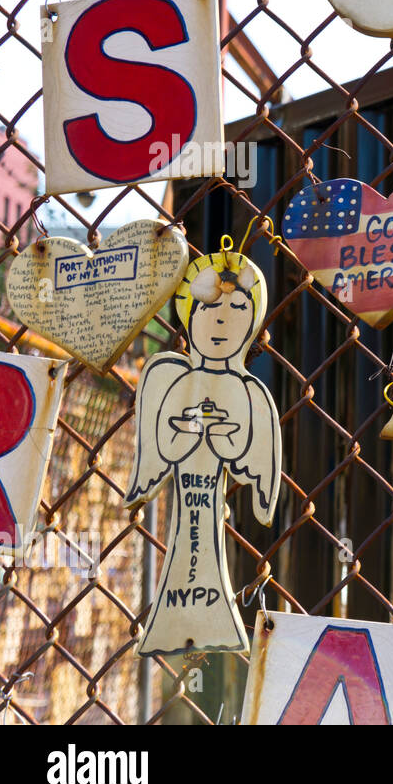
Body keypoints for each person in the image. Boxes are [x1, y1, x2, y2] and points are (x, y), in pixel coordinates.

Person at [125, 248, 281, 657]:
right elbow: (166, 447)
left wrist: (216, 430)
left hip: (212, 491)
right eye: (209, 308)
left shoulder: (250, 392)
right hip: (188, 489)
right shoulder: (169, 377)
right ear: (190, 317)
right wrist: (196, 424)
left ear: (251, 322)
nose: (221, 320)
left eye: (236, 309)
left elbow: (241, 452)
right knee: (185, 541)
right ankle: (176, 619)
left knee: (206, 546)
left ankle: (212, 615)